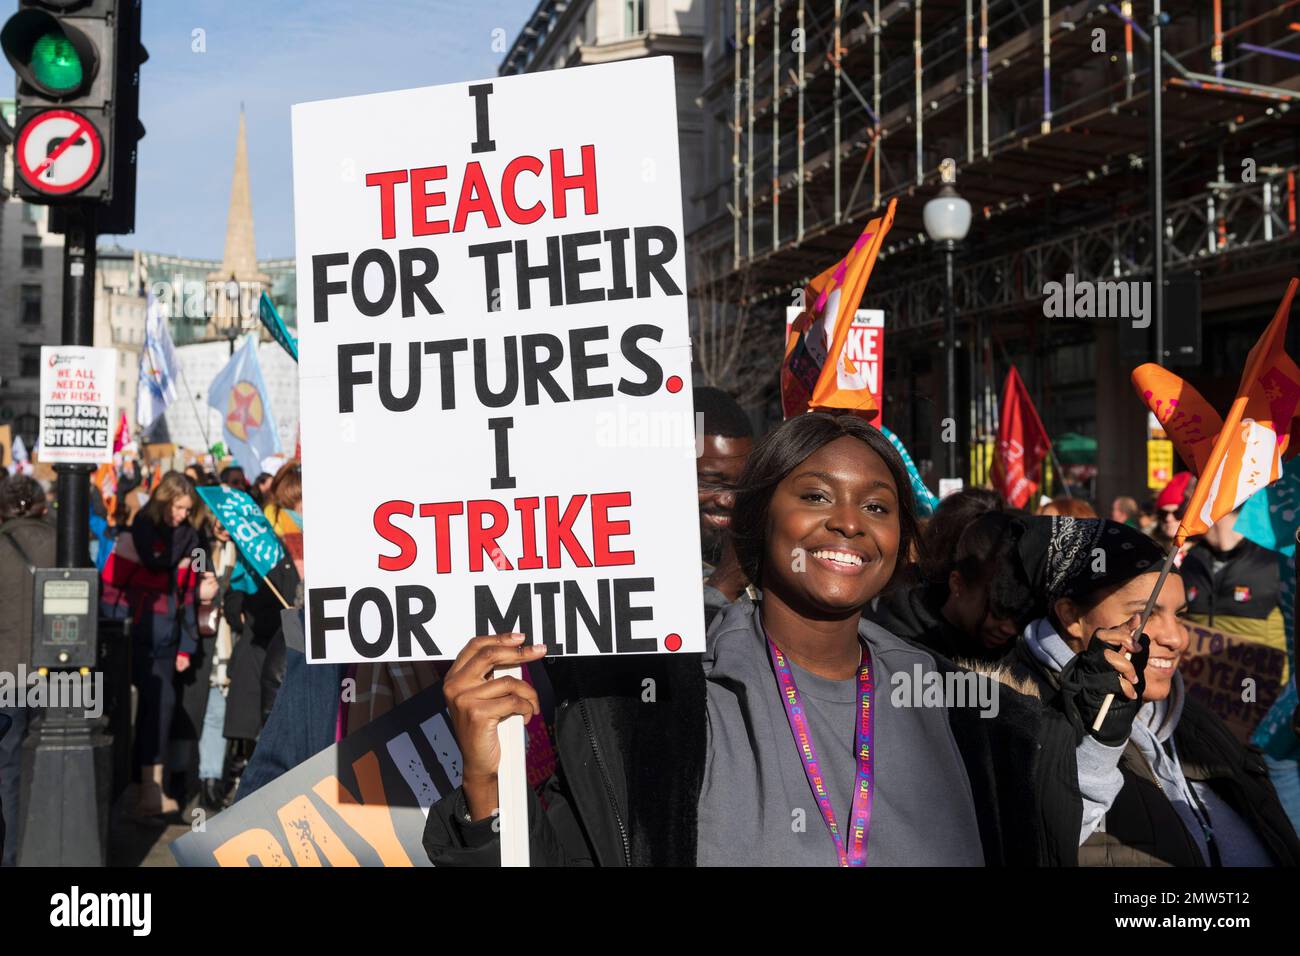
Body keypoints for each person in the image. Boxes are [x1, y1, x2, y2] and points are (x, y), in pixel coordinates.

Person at [423, 412, 1048, 866]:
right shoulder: (639, 718)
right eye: (816, 495)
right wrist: (487, 787)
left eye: (878, 508)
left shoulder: (979, 721)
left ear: (902, 544)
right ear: (754, 521)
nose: (849, 521)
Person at [1010, 516, 1300, 866]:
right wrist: (1097, 747)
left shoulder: (1192, 716)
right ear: (1071, 614)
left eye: (1180, 614)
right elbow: (1031, 843)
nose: (1177, 638)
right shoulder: (1015, 710)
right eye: (1146, 614)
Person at [121, 472, 204, 818]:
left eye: (187, 509)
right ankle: (144, 788)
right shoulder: (137, 530)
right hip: (138, 631)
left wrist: (186, 644)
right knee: (148, 707)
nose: (183, 515)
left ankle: (150, 787)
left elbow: (191, 593)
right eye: (178, 507)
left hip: (168, 633)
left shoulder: (192, 539)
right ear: (165, 500)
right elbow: (117, 581)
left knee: (161, 706)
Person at [867, 510, 1035, 663]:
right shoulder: (899, 646)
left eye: (1020, 609)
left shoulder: (1024, 649)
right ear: (957, 584)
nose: (1009, 628)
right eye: (999, 606)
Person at [0, 475, 56, 865]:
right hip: (50, 674)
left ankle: (11, 854)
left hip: (4, 674)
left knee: (7, 767)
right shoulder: (60, 543)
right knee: (48, 762)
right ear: (41, 505)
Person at [1180, 507, 1286, 666]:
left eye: (1187, 503)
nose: (1182, 511)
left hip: (1258, 686)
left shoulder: (1273, 559)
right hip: (1200, 684)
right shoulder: (1191, 560)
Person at [693, 387, 755, 626]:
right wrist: (725, 585)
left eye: (742, 485)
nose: (729, 500)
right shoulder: (637, 567)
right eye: (710, 483)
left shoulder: (758, 556)